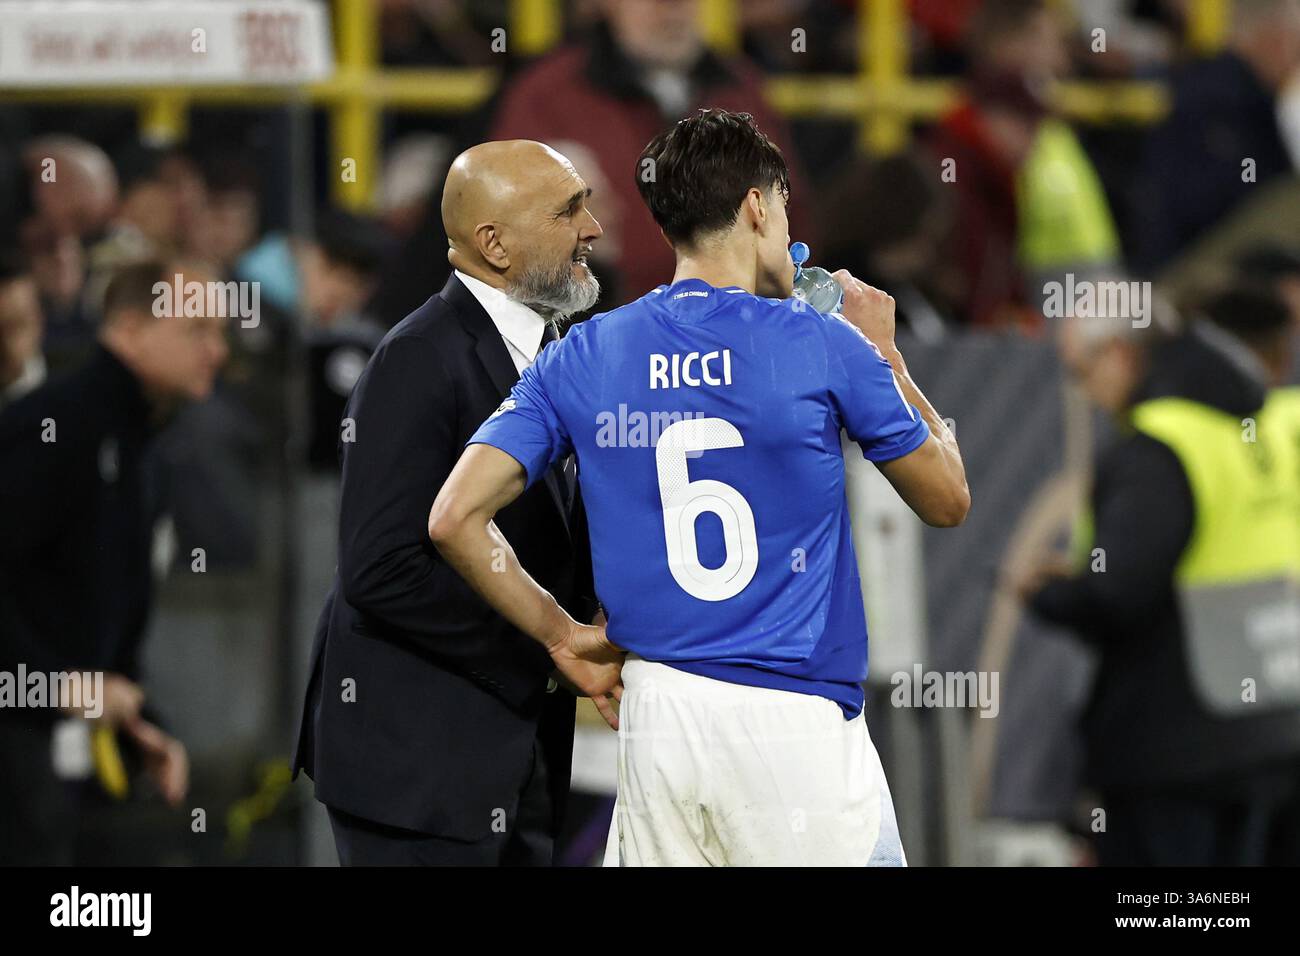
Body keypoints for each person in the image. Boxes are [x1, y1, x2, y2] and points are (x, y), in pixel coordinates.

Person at [427, 110, 969, 866]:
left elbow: (454, 517)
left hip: (660, 722)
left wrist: (561, 636)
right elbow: (947, 500)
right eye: (781, 210)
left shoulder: (585, 352)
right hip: (796, 727)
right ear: (756, 206)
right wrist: (887, 357)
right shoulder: (825, 343)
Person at [292, 140, 604, 866]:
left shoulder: (555, 350)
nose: (592, 228)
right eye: (569, 211)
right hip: (419, 769)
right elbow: (384, 568)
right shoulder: (418, 358)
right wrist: (548, 647)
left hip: (508, 754)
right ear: (494, 243)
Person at [1021, 284, 1300, 865]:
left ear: (1121, 353)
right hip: (1271, 725)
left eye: (1082, 370)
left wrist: (1049, 592)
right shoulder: (1263, 422)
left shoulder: (1158, 445)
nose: (1085, 392)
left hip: (1172, 748)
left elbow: (1120, 591)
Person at [0, 257, 223, 864]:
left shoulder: (143, 445)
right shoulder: (53, 427)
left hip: (66, 761)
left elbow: (95, 625)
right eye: (197, 331)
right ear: (129, 330)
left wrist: (138, 720)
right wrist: (52, 685)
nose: (217, 352)